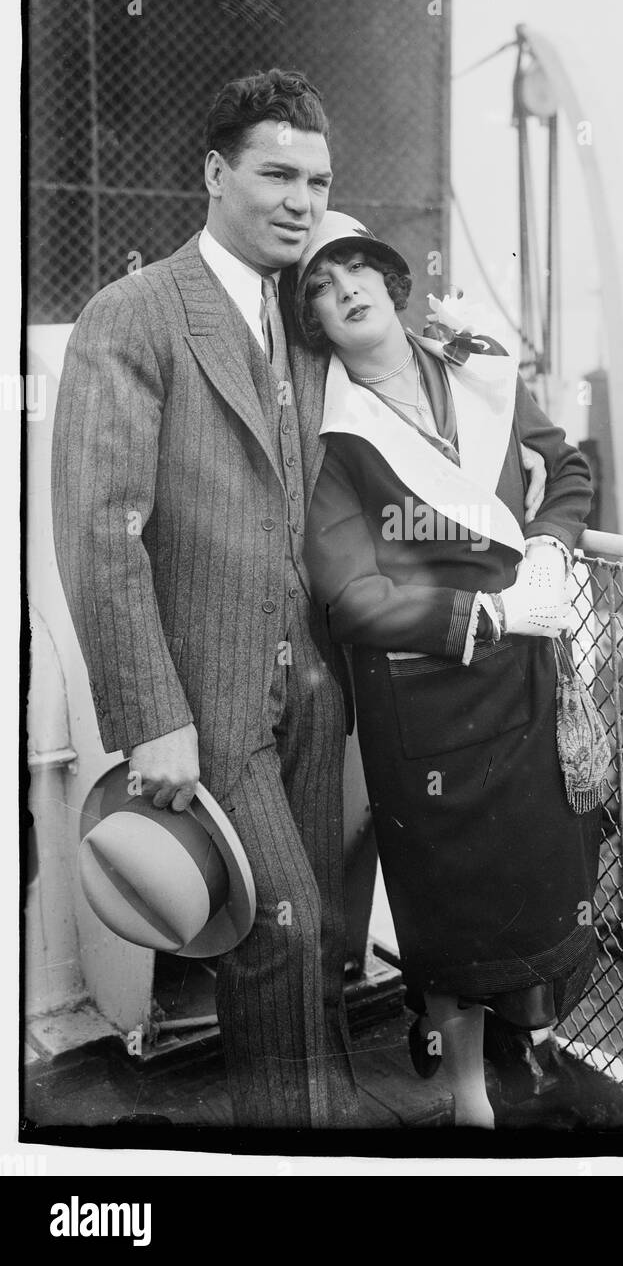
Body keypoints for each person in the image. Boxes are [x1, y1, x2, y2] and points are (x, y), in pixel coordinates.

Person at [51, 68, 359, 1129]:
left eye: (317, 181)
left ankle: (319, 1126)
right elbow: (100, 532)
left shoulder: (302, 322)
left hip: (314, 701)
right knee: (276, 928)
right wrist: (153, 719)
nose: (300, 201)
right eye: (276, 173)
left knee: (319, 937)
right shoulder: (131, 315)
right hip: (208, 709)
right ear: (215, 174)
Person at [299, 212, 603, 1128]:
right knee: (450, 901)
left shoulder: (480, 372)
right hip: (422, 696)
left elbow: (568, 470)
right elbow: (349, 597)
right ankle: (469, 1098)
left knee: (539, 877)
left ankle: (521, 1044)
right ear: (313, 321)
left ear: (393, 284)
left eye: (358, 268)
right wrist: (489, 610)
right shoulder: (332, 435)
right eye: (319, 285)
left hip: (526, 675)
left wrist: (547, 554)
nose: (345, 288)